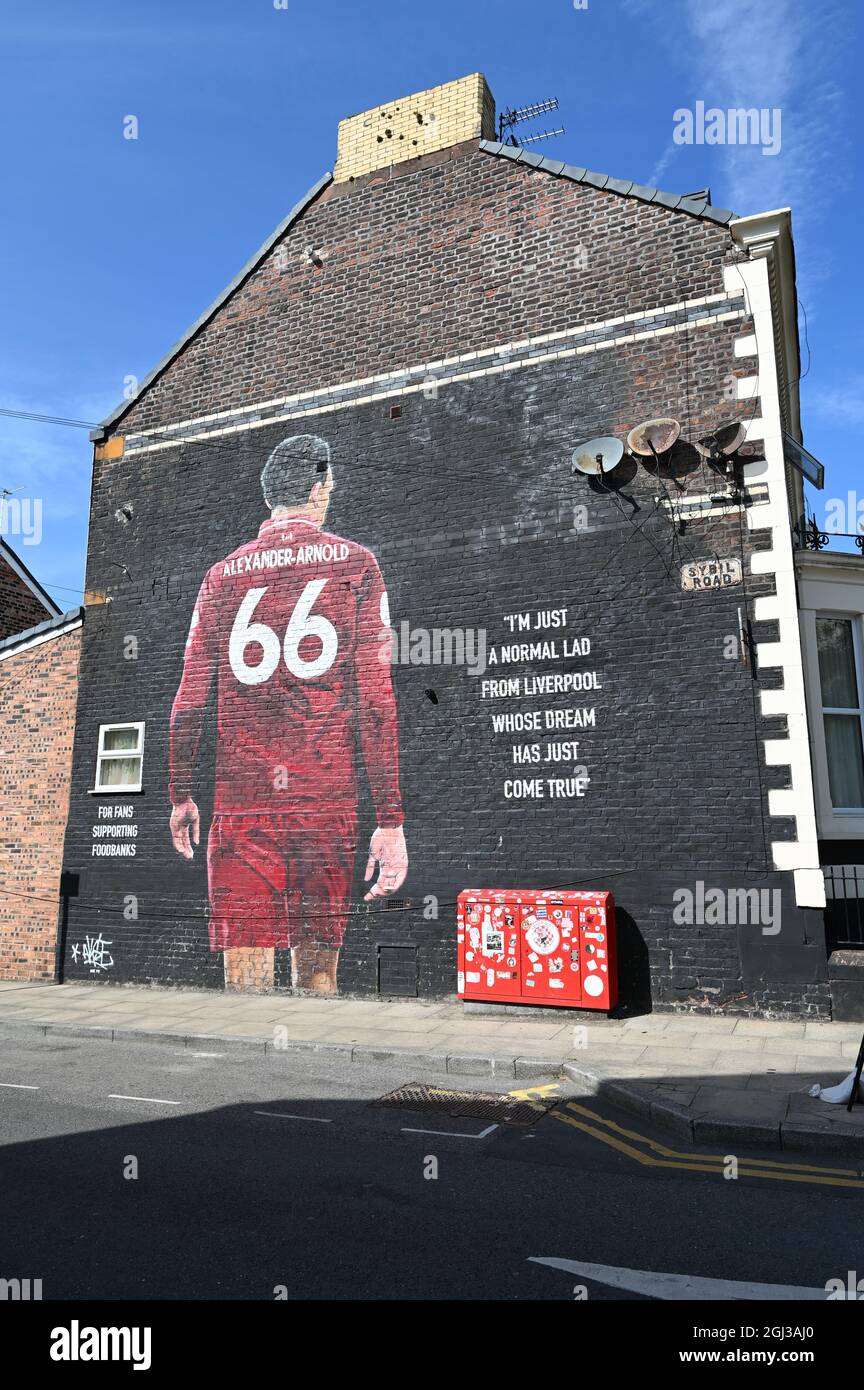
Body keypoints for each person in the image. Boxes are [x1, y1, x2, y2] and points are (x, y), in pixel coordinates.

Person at [168, 433, 408, 993]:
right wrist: (390, 819)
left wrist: (180, 793)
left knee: (244, 974)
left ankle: (250, 1076)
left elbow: (189, 701)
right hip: (327, 803)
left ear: (268, 495)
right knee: (319, 976)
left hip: (244, 803)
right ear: (320, 487)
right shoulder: (356, 564)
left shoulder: (220, 577)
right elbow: (376, 701)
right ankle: (307, 1062)